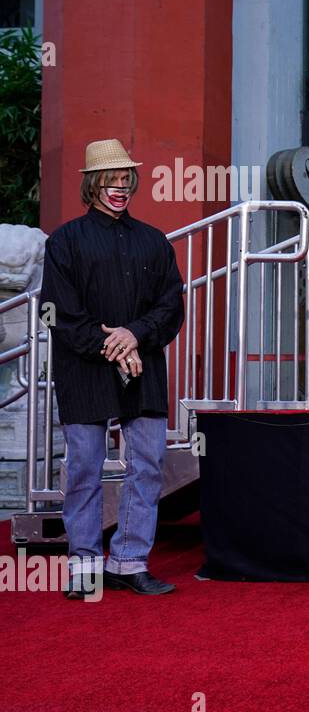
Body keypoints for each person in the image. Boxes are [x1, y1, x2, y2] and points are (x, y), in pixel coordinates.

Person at [40, 139, 185, 598]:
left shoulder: (153, 241)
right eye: (110, 180)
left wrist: (134, 335)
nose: (120, 188)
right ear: (92, 184)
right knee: (84, 467)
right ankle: (84, 568)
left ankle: (129, 561)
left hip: (143, 368)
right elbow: (58, 313)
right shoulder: (65, 241)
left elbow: (172, 306)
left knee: (148, 464)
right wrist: (114, 346)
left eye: (125, 180)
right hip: (85, 371)